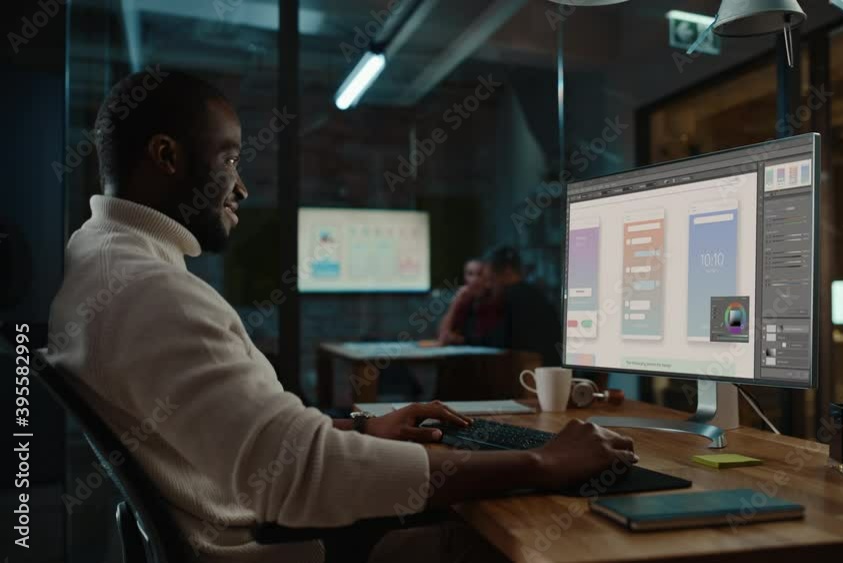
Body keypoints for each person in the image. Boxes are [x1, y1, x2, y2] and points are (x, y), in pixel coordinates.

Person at [46, 69, 637, 563]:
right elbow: (301, 476)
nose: (242, 188)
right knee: (534, 542)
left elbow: (259, 444)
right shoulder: (148, 291)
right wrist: (541, 460)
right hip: (275, 547)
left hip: (262, 528)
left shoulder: (102, 258)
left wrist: (358, 429)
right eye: (228, 158)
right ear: (166, 156)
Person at [475, 246, 562, 366]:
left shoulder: (510, 300)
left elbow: (494, 346)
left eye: (491, 280)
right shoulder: (538, 297)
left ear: (507, 272)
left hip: (526, 376)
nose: (488, 286)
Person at [438, 258, 501, 344]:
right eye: (470, 274)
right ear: (465, 278)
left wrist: (460, 339)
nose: (474, 279)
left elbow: (490, 339)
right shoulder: (466, 301)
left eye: (479, 274)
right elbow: (443, 336)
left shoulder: (494, 300)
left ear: (487, 278)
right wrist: (456, 302)